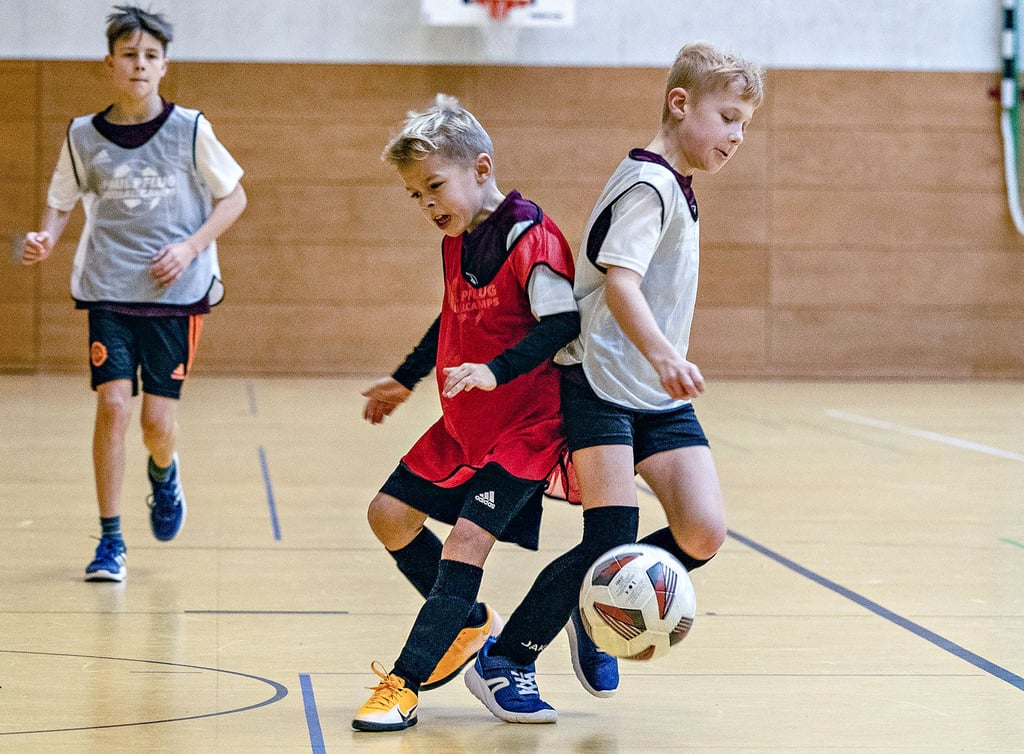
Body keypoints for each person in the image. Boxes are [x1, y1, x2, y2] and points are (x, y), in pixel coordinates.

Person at [464, 41, 766, 723]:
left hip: (652, 393)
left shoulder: (675, 185)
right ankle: (504, 659)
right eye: (728, 118)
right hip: (598, 380)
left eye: (745, 124)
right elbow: (621, 283)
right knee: (610, 536)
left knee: (702, 531)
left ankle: (593, 604)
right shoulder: (647, 186)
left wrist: (659, 367)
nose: (737, 136)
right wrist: (663, 355)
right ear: (679, 103)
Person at [351, 94, 580, 733]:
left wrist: (495, 370)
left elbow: (563, 323)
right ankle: (469, 623)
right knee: (388, 515)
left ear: (480, 169)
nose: (427, 205)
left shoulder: (530, 235)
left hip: (526, 428)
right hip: (465, 424)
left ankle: (404, 684)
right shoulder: (457, 240)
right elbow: (451, 315)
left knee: (465, 544)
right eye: (415, 195)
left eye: (434, 187)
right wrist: (405, 378)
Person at [20, 5, 247, 583]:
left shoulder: (189, 129)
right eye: (129, 55)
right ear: (110, 63)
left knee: (156, 425)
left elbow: (234, 198)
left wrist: (190, 248)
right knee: (113, 406)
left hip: (176, 294)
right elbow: (60, 200)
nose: (139, 64)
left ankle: (164, 474)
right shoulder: (82, 135)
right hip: (108, 289)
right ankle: (111, 540)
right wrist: (46, 236)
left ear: (164, 66)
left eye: (150, 56)